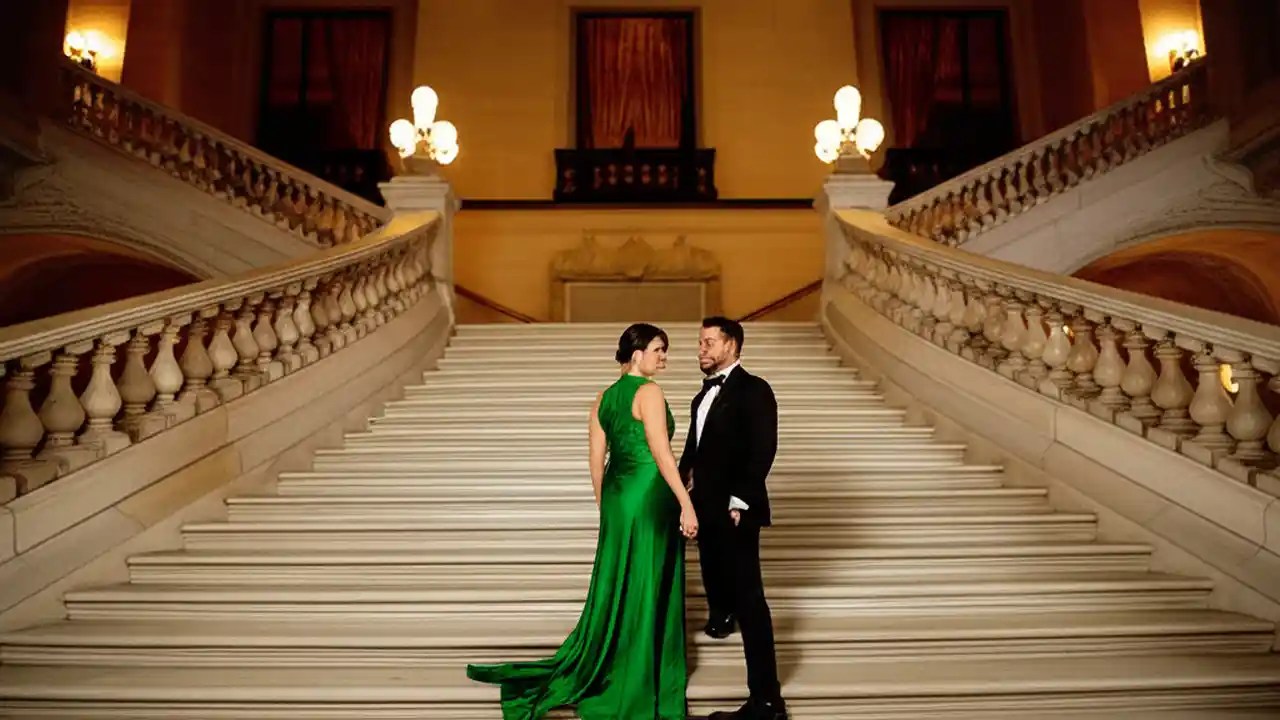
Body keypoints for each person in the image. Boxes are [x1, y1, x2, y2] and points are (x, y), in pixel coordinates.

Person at [466, 323, 699, 720]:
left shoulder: (602, 398)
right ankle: (641, 665)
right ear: (637, 354)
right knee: (645, 576)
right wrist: (685, 503)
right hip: (649, 492)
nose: (665, 357)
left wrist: (604, 504)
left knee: (622, 577)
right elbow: (662, 453)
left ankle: (613, 656)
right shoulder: (650, 392)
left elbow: (596, 460)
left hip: (618, 496)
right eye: (659, 349)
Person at [679, 316, 786, 720]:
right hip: (704, 506)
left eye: (708, 343)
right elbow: (694, 452)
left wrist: (740, 500)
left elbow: (763, 449)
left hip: (734, 509)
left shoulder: (755, 390)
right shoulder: (700, 397)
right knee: (711, 568)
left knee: (751, 600)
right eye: (700, 343)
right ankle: (720, 615)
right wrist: (679, 491)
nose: (701, 350)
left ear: (732, 345)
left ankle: (768, 700)